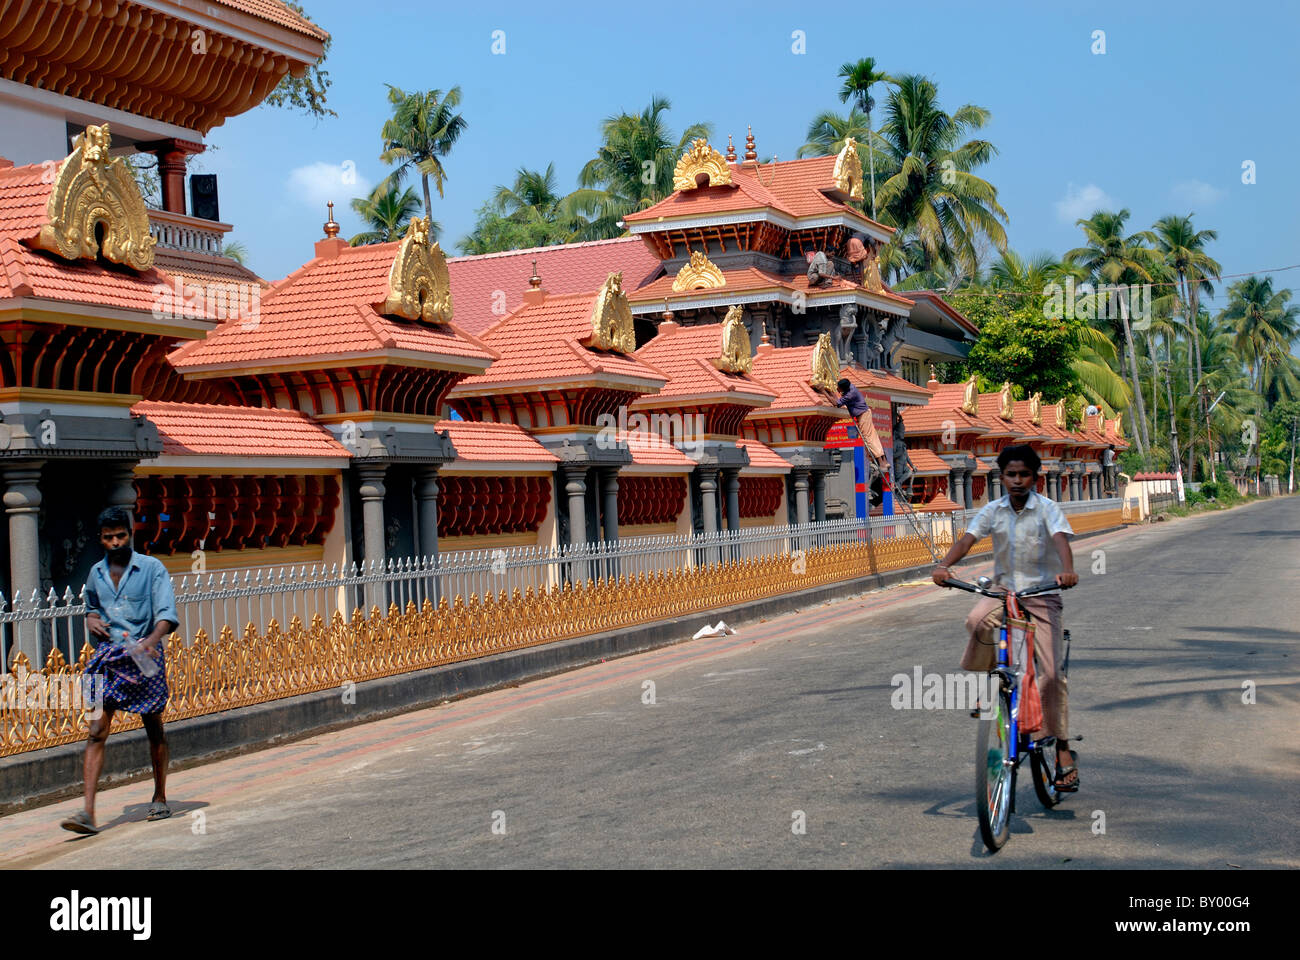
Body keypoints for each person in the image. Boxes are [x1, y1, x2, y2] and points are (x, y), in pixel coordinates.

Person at [930, 444, 1082, 792]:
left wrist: (1068, 571)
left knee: (1052, 674)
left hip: (1042, 593)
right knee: (976, 620)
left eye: (1024, 474)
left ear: (1035, 478)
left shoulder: (1047, 509)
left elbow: (1061, 541)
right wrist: (944, 565)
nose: (1017, 481)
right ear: (1002, 477)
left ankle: (1061, 749)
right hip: (1003, 592)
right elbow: (968, 540)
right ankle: (995, 683)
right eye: (1011, 474)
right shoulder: (993, 511)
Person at [60, 507, 178, 834]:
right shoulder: (95, 574)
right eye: (108, 537)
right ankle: (87, 813)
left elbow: (166, 613)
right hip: (107, 658)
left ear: (130, 533)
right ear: (101, 539)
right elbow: (92, 610)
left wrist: (152, 640)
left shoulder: (152, 568)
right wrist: (91, 619)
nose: (115, 542)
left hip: (144, 655)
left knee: (153, 725)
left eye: (120, 536)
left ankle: (159, 795)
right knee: (96, 729)